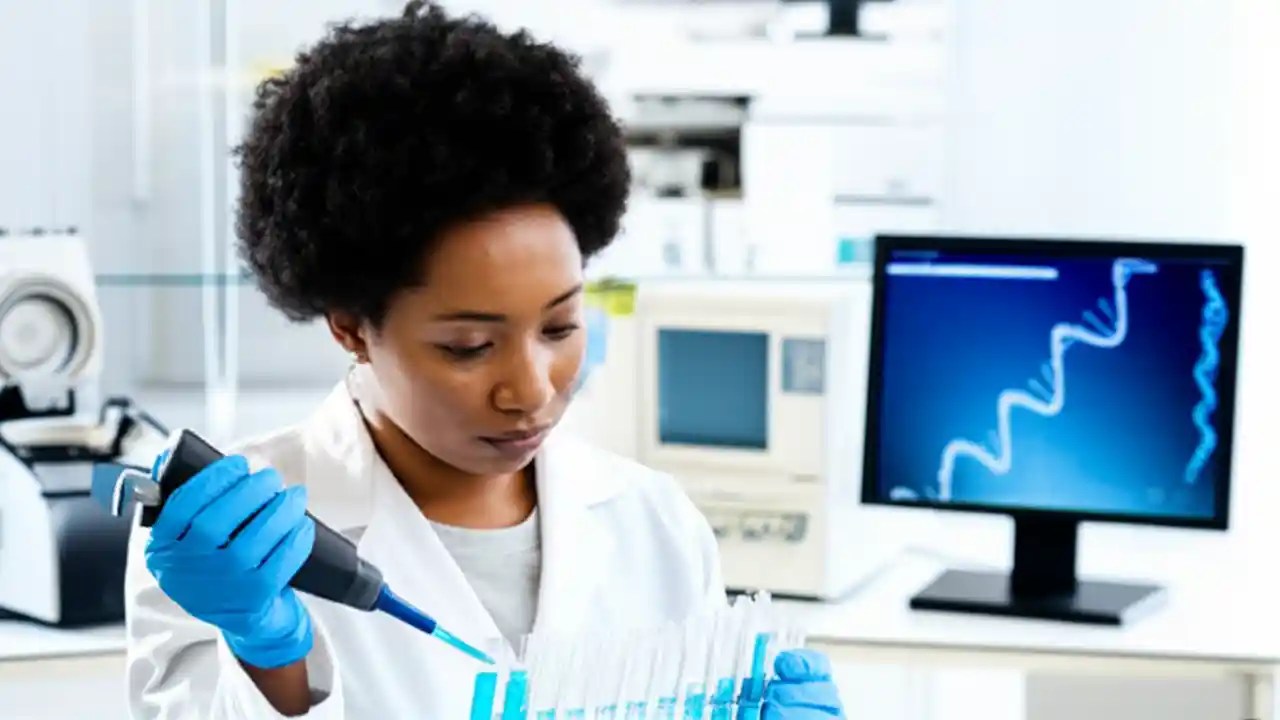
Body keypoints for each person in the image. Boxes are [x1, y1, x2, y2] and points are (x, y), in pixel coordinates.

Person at [123, 2, 847, 718]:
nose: (531, 393)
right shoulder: (219, 545)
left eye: (560, 327)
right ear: (350, 325)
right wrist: (268, 656)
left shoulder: (654, 526)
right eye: (469, 346)